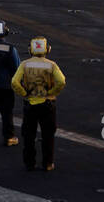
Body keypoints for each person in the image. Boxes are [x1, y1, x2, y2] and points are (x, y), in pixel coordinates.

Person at [11, 37, 66, 172]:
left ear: (30, 50)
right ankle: (48, 164)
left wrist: (24, 93)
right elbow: (61, 81)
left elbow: (14, 82)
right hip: (48, 104)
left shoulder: (25, 64)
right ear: (47, 50)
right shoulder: (52, 65)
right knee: (48, 135)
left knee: (28, 135)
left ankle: (30, 163)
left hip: (30, 104)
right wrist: (51, 92)